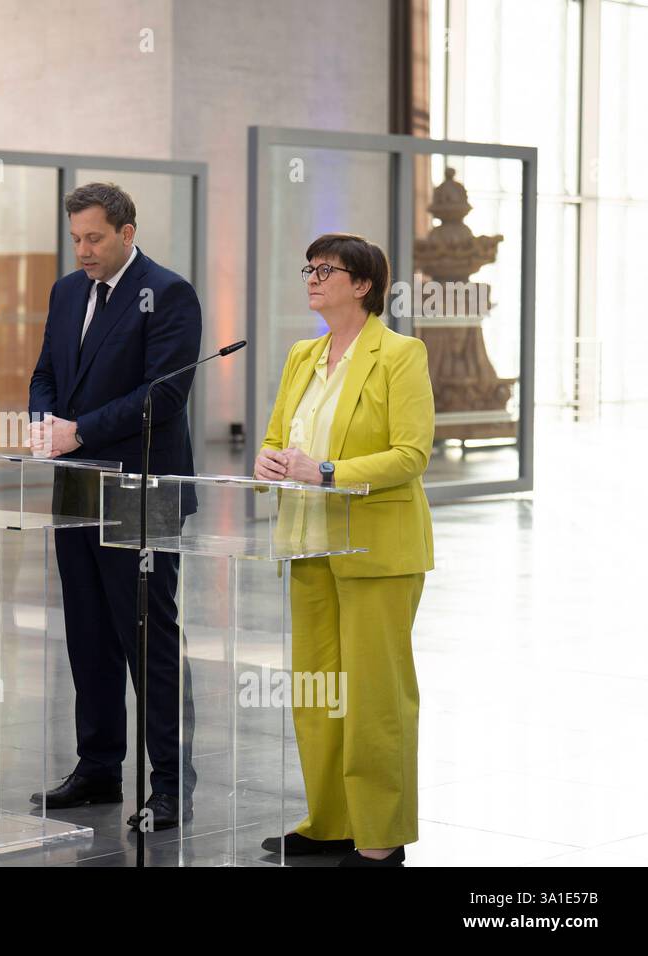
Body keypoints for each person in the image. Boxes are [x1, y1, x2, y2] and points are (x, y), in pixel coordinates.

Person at [255, 232, 434, 867]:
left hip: (376, 550)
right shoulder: (303, 354)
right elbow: (279, 437)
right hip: (308, 543)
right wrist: (272, 460)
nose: (311, 277)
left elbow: (412, 454)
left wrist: (326, 472)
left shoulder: (400, 354)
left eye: (324, 269)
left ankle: (380, 838)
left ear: (362, 285)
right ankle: (328, 820)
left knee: (374, 695)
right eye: (308, 267)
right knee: (316, 688)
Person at [28, 182, 202, 830]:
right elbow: (46, 368)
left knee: (147, 638)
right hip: (75, 485)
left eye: (95, 238)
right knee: (89, 633)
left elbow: (164, 396)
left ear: (128, 232)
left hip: (141, 486)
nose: (84, 250)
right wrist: (45, 421)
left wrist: (80, 431)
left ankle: (169, 785)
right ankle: (98, 768)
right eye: (76, 238)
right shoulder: (68, 290)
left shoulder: (170, 294)